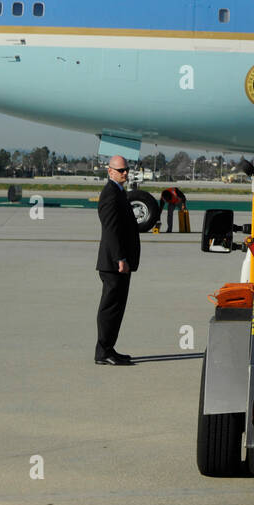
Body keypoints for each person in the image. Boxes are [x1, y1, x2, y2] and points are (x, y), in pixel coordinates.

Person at [95, 155, 141, 365]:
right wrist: (120, 258)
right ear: (110, 171)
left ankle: (108, 348)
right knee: (110, 307)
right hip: (114, 264)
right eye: (121, 170)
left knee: (117, 308)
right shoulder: (110, 194)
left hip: (119, 262)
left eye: (126, 170)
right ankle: (103, 352)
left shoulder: (119, 192)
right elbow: (111, 230)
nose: (125, 173)